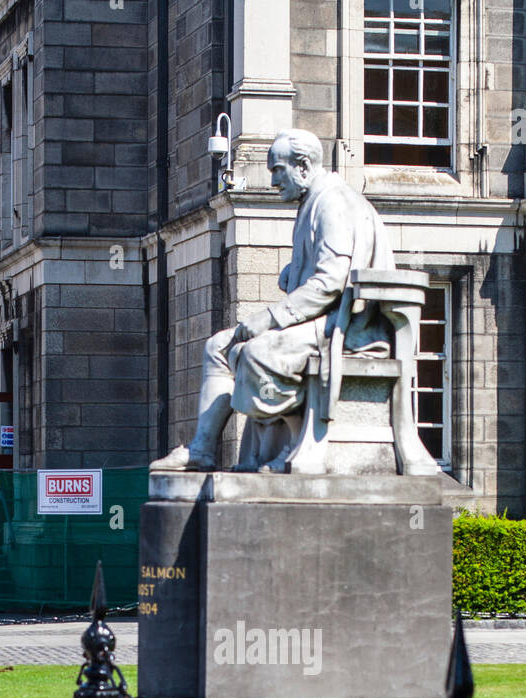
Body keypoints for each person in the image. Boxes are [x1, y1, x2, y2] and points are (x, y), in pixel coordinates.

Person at [153, 127, 395, 473]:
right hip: (321, 321)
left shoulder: (332, 203)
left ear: (303, 166)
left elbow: (330, 283)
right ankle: (202, 449)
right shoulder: (313, 201)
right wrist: (292, 271)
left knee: (256, 352)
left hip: (344, 327)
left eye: (277, 170)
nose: (273, 181)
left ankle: (296, 447)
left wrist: (269, 317)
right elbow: (323, 269)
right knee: (219, 347)